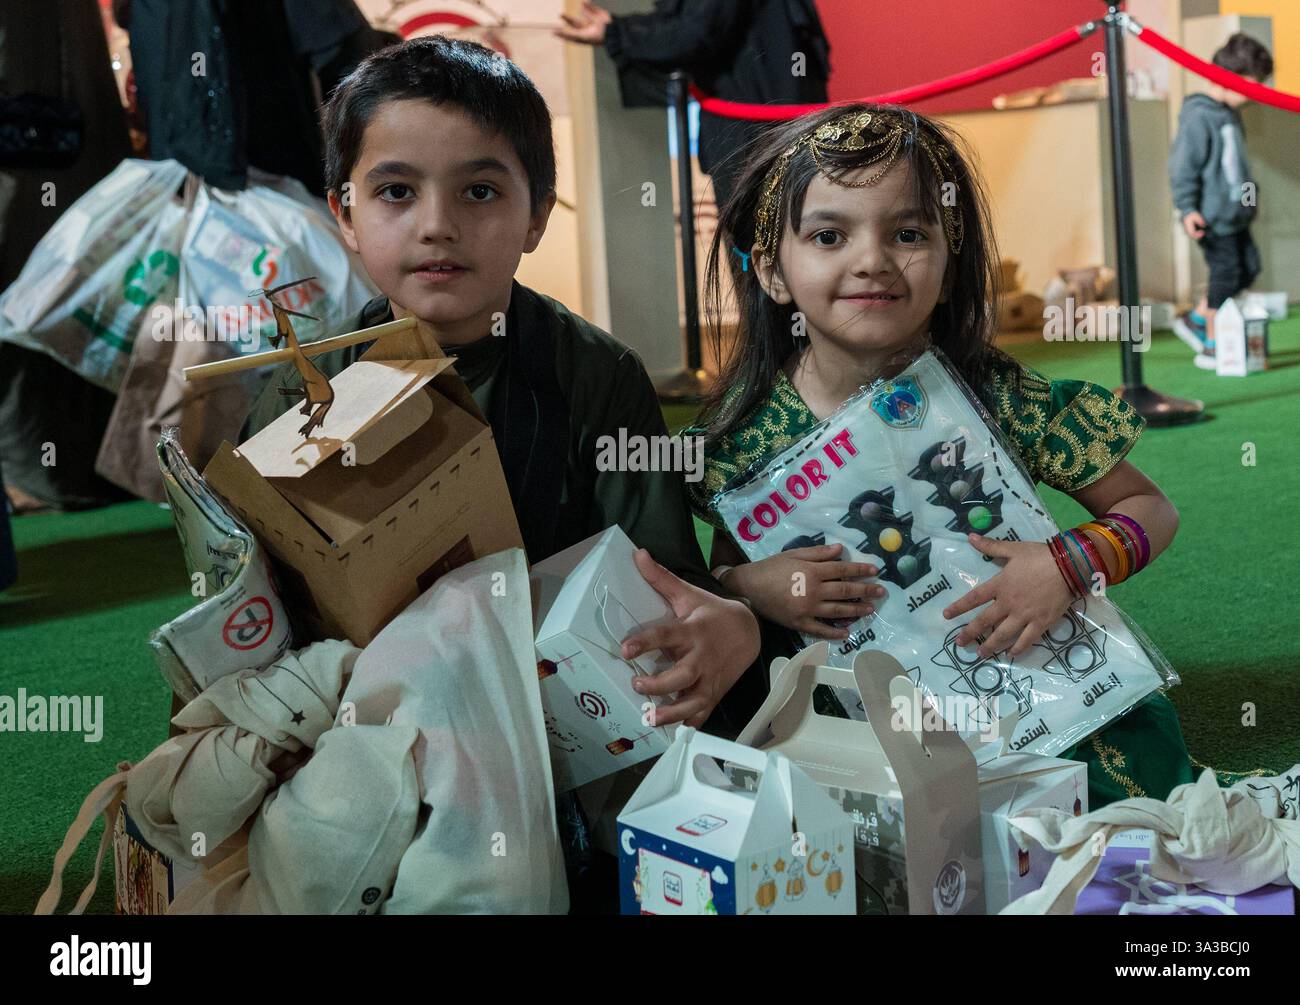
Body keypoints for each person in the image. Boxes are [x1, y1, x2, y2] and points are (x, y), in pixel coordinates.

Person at [241, 36, 760, 735]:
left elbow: (661, 577)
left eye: (479, 192)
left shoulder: (599, 378)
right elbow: (252, 608)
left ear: (538, 215)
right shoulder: (303, 391)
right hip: (363, 722)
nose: (437, 226)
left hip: (554, 722)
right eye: (396, 191)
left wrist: (723, 624)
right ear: (344, 215)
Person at [685, 103, 1195, 807]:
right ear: (773, 273)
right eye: (829, 235)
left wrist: (1065, 566)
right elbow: (722, 574)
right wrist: (753, 588)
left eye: (909, 232)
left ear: (951, 264)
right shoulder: (743, 443)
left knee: (1128, 826)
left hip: (1062, 705)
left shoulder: (998, 398)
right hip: (873, 742)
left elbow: (1151, 509)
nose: (872, 260)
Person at [555, 0, 829, 210]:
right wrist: (615, 31)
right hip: (769, 123)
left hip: (758, 129)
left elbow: (696, 32)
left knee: (764, 249)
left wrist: (617, 34)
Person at [1169, 32, 1273, 369]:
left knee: (1249, 270)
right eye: (1253, 85)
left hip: (1236, 215)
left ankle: (1197, 319)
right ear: (1231, 80)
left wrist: (1248, 201)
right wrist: (1188, 208)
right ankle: (1213, 343)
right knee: (1226, 276)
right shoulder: (1200, 115)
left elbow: (1237, 166)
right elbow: (1183, 165)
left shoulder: (1230, 114)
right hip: (1213, 217)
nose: (1256, 93)